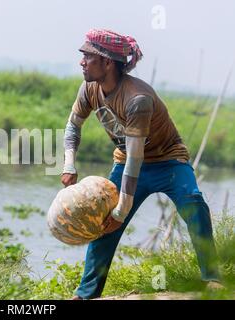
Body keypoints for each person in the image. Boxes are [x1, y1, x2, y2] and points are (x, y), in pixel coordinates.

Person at [61, 29, 223, 299]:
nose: (82, 62)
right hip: (126, 162)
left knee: (193, 204)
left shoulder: (137, 98)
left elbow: (136, 159)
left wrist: (121, 211)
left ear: (107, 62)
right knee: (104, 224)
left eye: (88, 56)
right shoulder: (89, 88)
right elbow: (73, 126)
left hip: (168, 161)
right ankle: (86, 293)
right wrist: (69, 166)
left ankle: (213, 277)